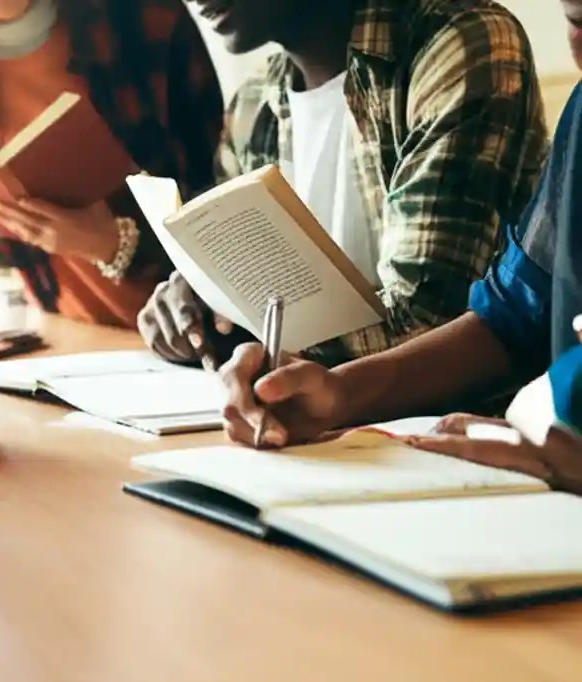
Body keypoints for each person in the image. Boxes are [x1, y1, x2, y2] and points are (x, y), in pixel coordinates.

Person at [215, 1, 582, 491]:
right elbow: (512, 319)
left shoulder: (458, 41)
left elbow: (428, 310)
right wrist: (339, 393)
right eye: (575, 22)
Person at [139, 0, 548, 368]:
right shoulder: (252, 106)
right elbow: (242, 303)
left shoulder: (459, 44)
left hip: (449, 437)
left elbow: (430, 321)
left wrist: (250, 340)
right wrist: (199, 313)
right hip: (314, 433)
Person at [0, 0, 223, 328]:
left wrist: (110, 242)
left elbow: (223, 208)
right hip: (62, 333)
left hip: (191, 329)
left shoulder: (150, 20)